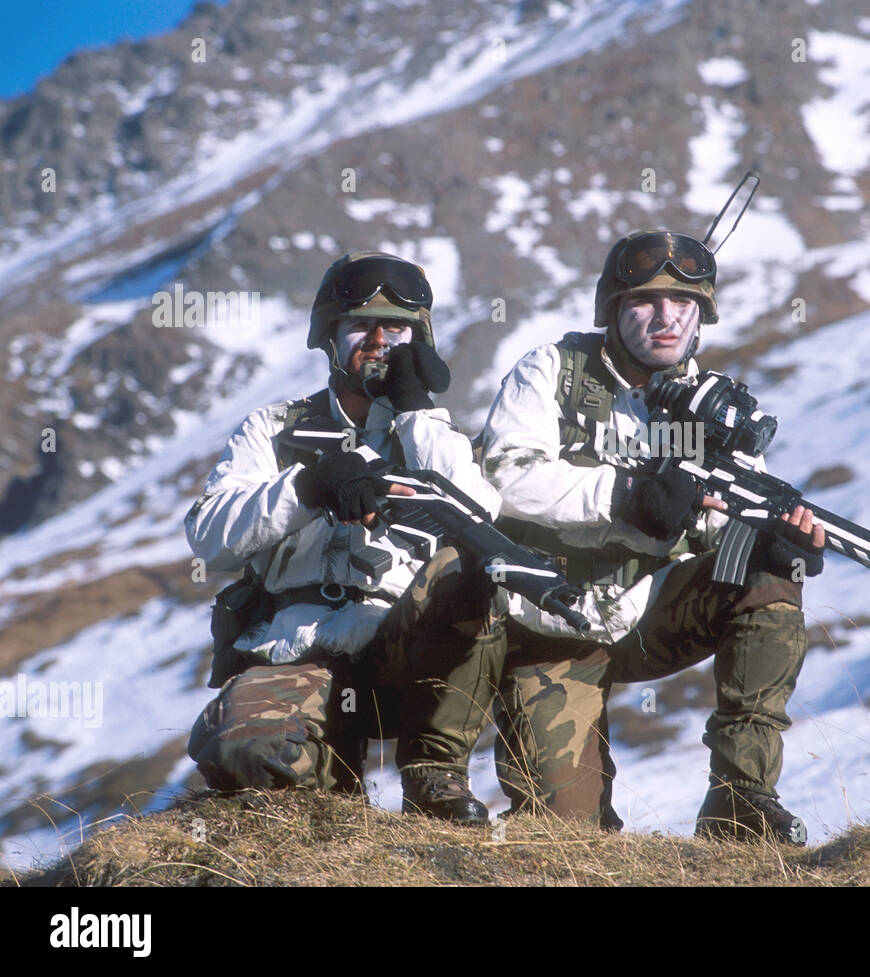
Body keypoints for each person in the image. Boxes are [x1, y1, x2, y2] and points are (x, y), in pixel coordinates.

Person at [480, 230, 824, 845]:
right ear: (612, 309)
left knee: (770, 574)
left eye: (684, 305)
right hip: (547, 619)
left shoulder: (715, 406)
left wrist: (785, 541)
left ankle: (740, 799)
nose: (666, 318)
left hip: (652, 609)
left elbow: (733, 513)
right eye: (644, 302)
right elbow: (504, 478)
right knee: (566, 837)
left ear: (702, 317)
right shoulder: (551, 370)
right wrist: (625, 498)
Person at [185, 251, 505, 824]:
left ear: (420, 340)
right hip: (296, 648)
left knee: (475, 572)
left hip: (406, 652)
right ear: (329, 337)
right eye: (361, 325)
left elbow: (480, 518)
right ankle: (328, 789)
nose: (380, 340)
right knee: (244, 756)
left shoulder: (438, 434)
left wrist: (415, 412)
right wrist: (307, 486)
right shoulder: (275, 429)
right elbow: (210, 536)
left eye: (398, 328)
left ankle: (435, 776)